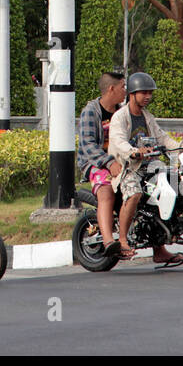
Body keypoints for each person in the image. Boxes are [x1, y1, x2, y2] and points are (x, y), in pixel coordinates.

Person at [106, 72, 183, 267]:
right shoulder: (120, 117)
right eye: (143, 92)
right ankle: (123, 240)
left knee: (173, 185)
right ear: (132, 94)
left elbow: (162, 137)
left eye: (150, 92)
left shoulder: (147, 117)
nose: (148, 96)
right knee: (134, 194)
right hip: (129, 167)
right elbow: (118, 141)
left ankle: (160, 248)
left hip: (150, 166)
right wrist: (134, 152)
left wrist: (180, 147)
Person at [75, 70, 128, 258]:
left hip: (122, 161)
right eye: (123, 86)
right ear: (111, 89)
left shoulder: (124, 111)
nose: (125, 90)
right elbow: (88, 144)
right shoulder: (91, 111)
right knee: (106, 191)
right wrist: (109, 162)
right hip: (96, 163)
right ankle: (108, 241)